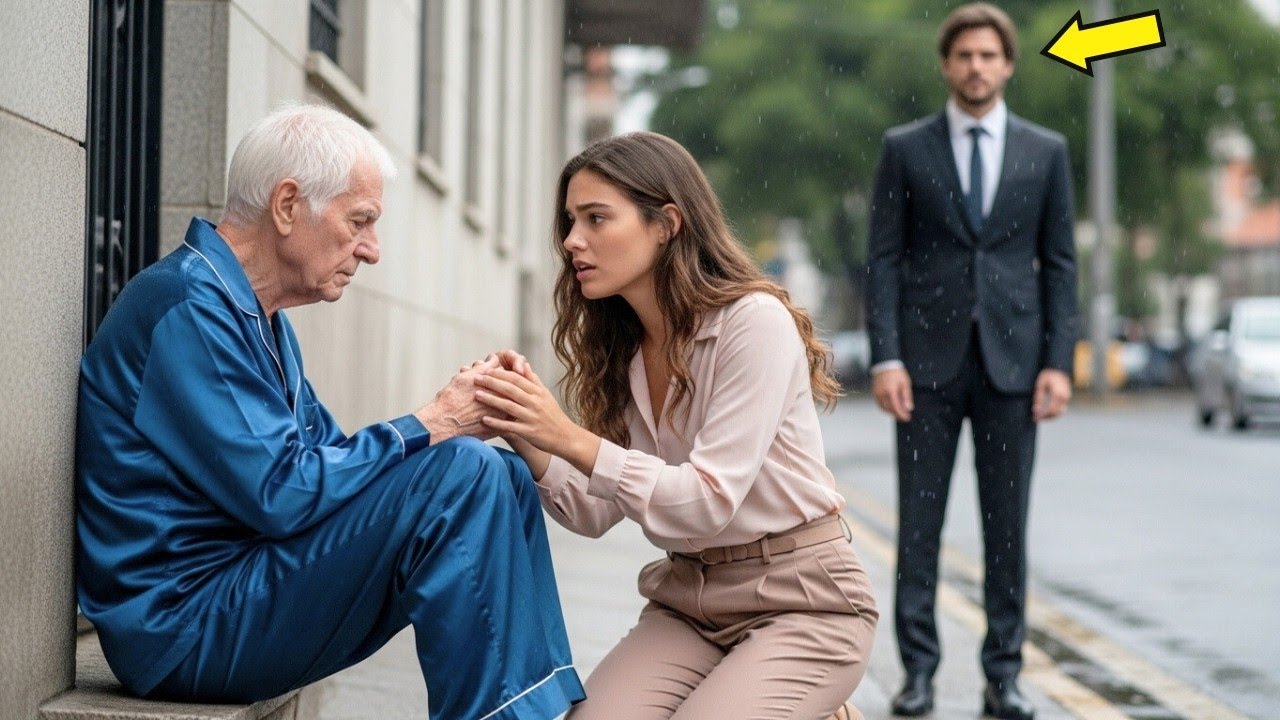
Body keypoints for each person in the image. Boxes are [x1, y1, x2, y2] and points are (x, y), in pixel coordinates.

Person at [75, 104, 585, 720]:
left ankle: (527, 708)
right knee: (462, 475)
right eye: (360, 221)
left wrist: (458, 423)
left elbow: (334, 470)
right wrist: (432, 423)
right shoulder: (185, 306)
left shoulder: (259, 318)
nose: (371, 250)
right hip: (182, 627)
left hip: (241, 587)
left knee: (495, 472)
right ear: (288, 206)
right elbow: (284, 492)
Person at [470, 131, 878, 720]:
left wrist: (566, 435)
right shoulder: (628, 348)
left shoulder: (752, 323)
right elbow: (593, 509)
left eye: (595, 219)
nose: (571, 242)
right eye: (569, 221)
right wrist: (522, 425)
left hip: (804, 602)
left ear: (665, 224)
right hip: (688, 601)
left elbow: (706, 501)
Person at [864, 4, 1078, 719]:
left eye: (989, 56)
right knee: (918, 529)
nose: (977, 67)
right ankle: (919, 672)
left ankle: (1003, 677)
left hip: (1014, 369)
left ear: (1008, 65)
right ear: (947, 66)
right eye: (964, 56)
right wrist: (886, 356)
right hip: (923, 367)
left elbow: (1059, 265)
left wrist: (1058, 362)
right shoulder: (906, 147)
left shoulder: (1044, 151)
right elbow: (884, 261)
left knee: (1006, 528)